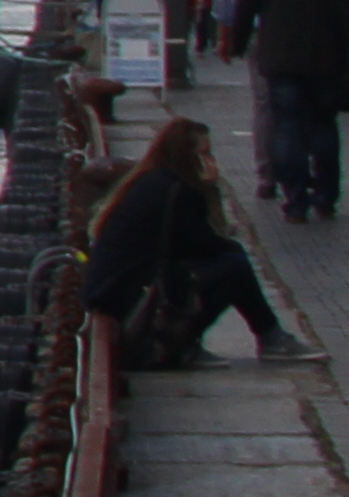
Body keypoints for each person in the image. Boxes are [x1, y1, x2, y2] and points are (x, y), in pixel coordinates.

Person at [87, 115, 297, 357]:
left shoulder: (150, 180)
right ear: (188, 156)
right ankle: (263, 335)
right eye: (205, 154)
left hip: (118, 292)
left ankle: (269, 334)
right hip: (136, 303)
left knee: (231, 258)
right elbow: (207, 243)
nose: (211, 160)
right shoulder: (179, 192)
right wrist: (210, 189)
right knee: (235, 266)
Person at [240, 0, 349, 223]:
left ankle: (295, 199)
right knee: (324, 126)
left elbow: (247, 5)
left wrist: (236, 44)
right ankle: (326, 197)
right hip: (325, 58)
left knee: (287, 126)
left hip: (281, 57)